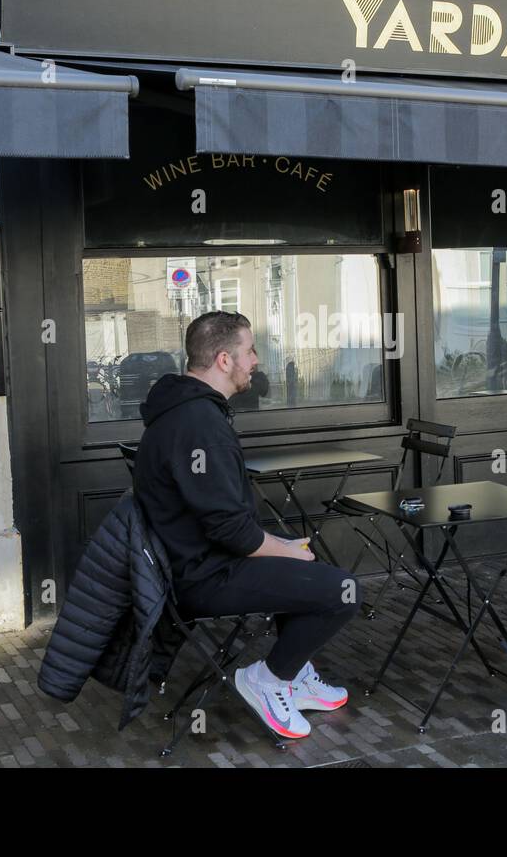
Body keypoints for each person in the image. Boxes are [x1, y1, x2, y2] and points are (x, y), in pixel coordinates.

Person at [134, 311, 357, 740]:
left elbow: (225, 523)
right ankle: (268, 679)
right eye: (250, 350)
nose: (256, 360)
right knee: (343, 590)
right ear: (223, 359)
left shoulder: (185, 410)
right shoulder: (199, 424)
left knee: (304, 565)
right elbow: (231, 532)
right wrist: (283, 549)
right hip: (203, 577)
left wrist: (280, 546)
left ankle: (293, 672)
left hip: (200, 563)